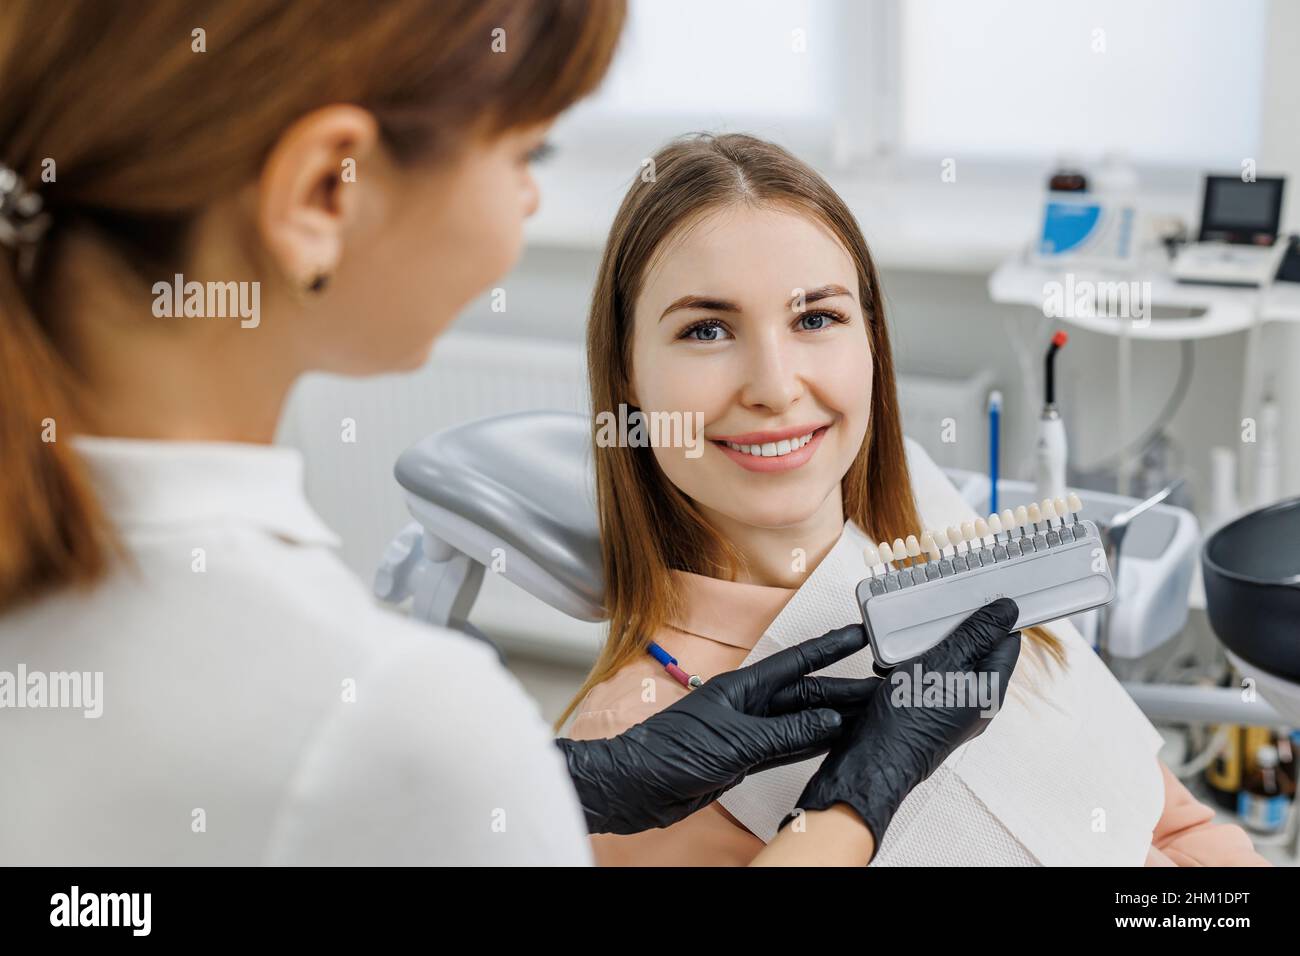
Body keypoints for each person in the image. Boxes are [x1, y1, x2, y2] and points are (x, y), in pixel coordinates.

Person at [0, 0, 1021, 866]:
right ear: (325, 191)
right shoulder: (408, 718)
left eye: (817, 315)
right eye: (523, 148)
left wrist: (563, 787)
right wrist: (853, 801)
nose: (530, 197)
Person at [564, 132, 1269, 867]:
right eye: (706, 329)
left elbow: (1175, 827)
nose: (774, 387)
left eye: (816, 318)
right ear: (626, 380)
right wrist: (858, 795)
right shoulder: (635, 749)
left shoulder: (926, 514)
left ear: (871, 342)